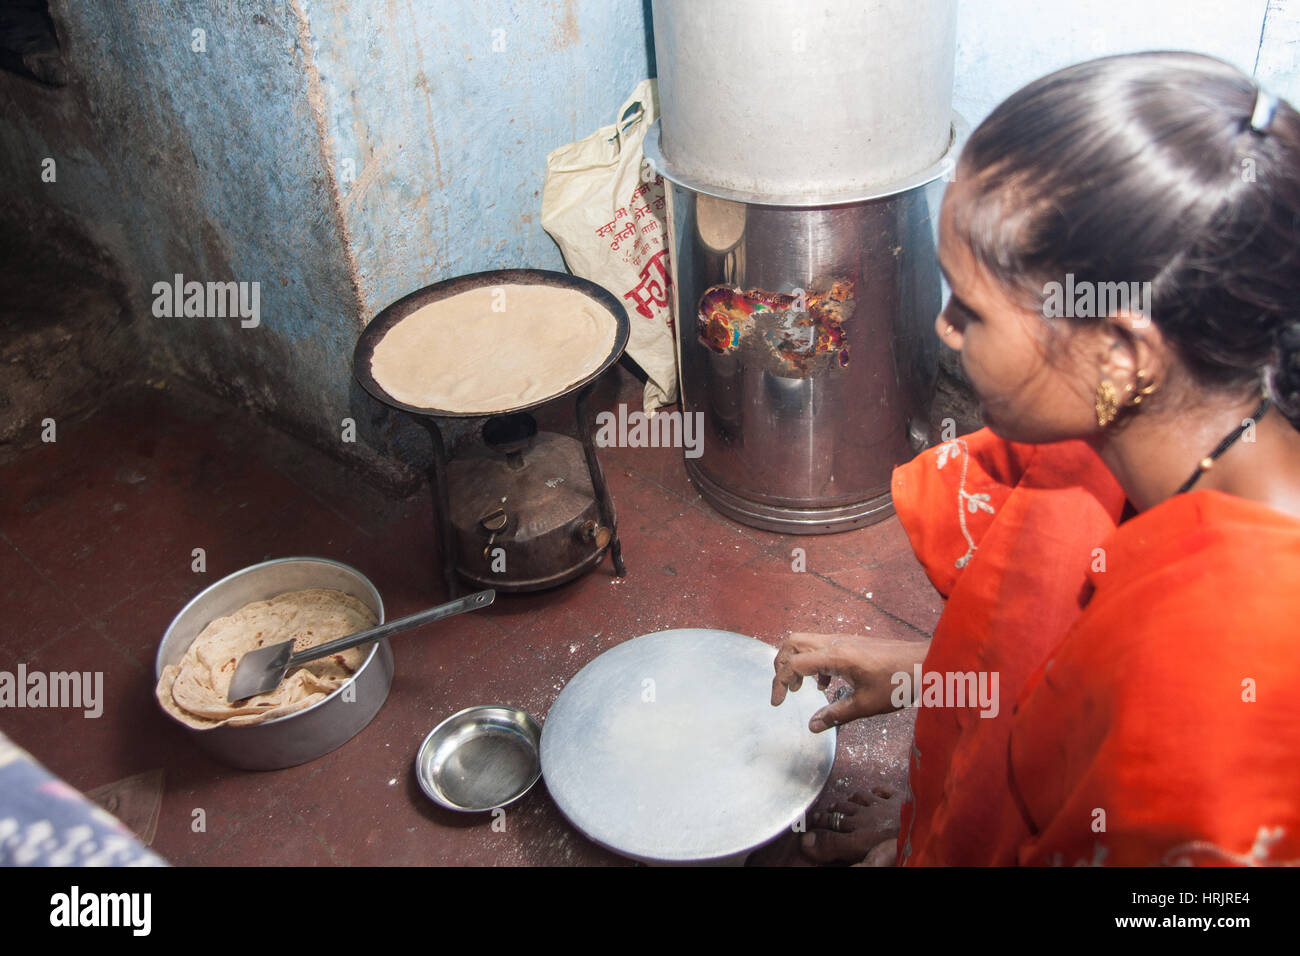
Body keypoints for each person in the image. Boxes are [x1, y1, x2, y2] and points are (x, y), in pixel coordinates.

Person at [771, 51, 1300, 866]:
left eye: (971, 311)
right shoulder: (1148, 438)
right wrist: (932, 673)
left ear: (1121, 354)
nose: (944, 330)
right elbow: (1057, 653)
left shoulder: (1219, 694)